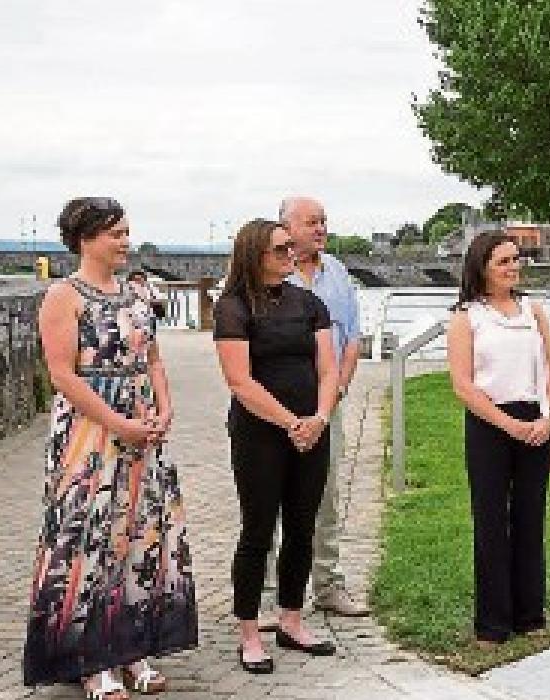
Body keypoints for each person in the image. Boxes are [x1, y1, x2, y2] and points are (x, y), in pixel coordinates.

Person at [24, 197, 198, 699]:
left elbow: (156, 359)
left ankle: (130, 647)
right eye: (115, 233)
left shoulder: (137, 293)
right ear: (86, 239)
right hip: (92, 430)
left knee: (139, 533)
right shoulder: (63, 296)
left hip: (142, 428)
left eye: (126, 232)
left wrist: (165, 409)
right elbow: (61, 374)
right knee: (91, 535)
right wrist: (118, 422)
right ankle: (90, 658)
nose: (125, 242)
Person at [213, 219, 340, 674]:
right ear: (255, 255)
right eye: (281, 249)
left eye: (291, 248)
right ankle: (249, 631)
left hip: (311, 428)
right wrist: (290, 423)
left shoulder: (309, 303)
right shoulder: (233, 306)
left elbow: (327, 369)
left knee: (302, 526)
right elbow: (239, 381)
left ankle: (292, 619)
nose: (292, 255)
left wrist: (319, 418)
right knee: (258, 531)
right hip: (260, 433)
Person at [446, 232, 550, 645]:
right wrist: (507, 425)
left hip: (536, 421)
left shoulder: (534, 310)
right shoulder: (466, 317)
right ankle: (492, 623)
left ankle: (531, 616)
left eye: (516, 259)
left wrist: (547, 416)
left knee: (531, 519)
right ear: (481, 268)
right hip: (489, 425)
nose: (514, 267)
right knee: (491, 523)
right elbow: (463, 385)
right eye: (504, 262)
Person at [278, 196, 369, 617]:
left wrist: (337, 391)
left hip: (328, 401)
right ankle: (266, 594)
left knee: (328, 495)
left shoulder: (337, 272)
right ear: (288, 226)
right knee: (273, 500)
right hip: (280, 404)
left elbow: (351, 337)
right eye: (312, 222)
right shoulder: (271, 272)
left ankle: (328, 584)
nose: (321, 228)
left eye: (324, 221)